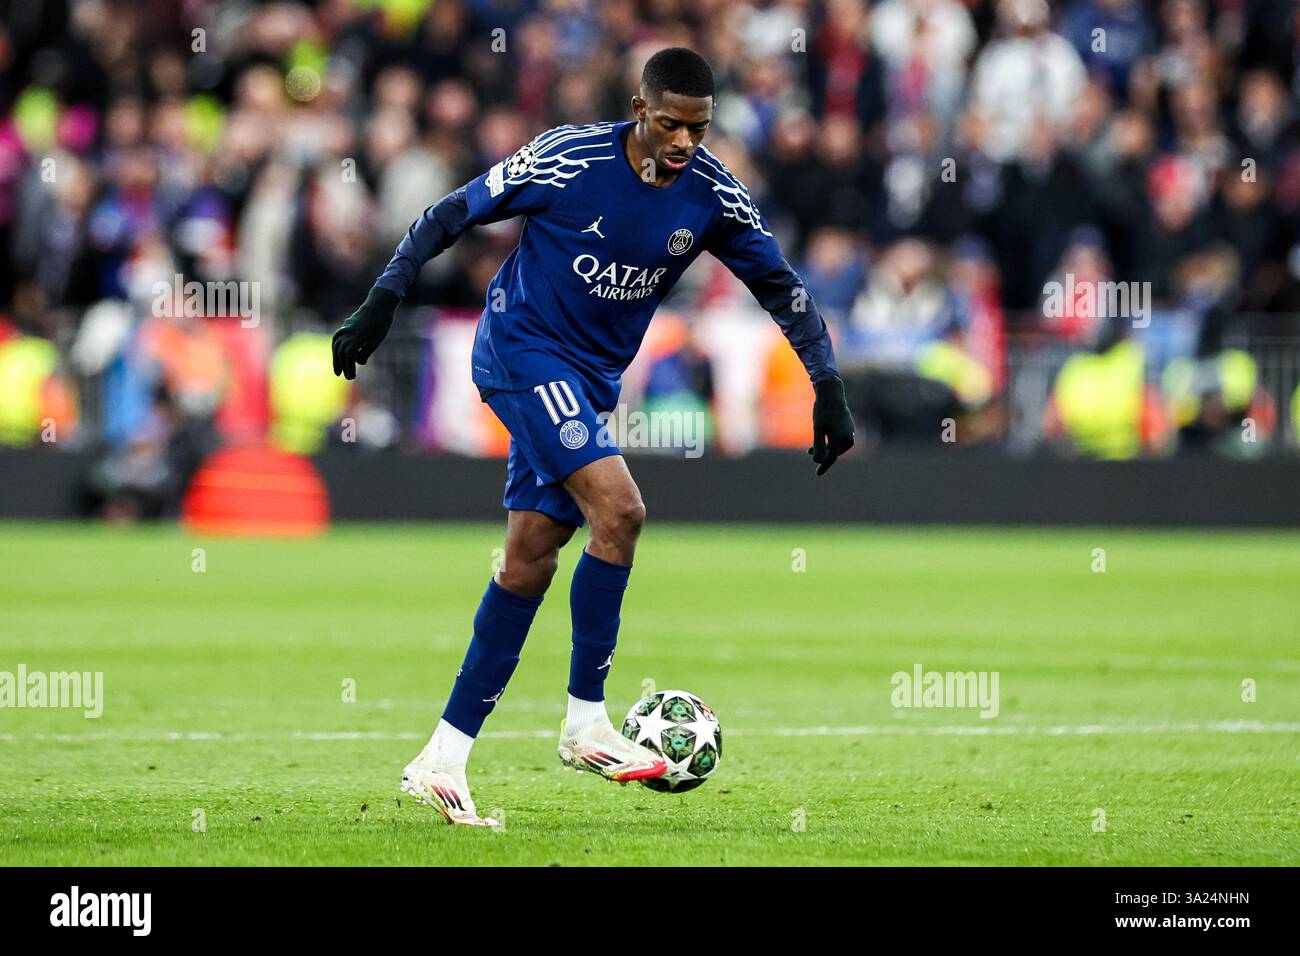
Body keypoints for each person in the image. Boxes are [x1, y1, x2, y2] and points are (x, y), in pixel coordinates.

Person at [331, 48, 855, 826]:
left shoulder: (712, 194)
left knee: (529, 558)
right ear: (640, 109)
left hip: (589, 385)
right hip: (518, 349)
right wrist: (383, 296)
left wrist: (828, 385)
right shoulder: (569, 156)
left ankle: (441, 757)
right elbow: (453, 211)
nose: (685, 142)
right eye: (672, 124)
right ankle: (585, 721)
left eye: (700, 128)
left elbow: (781, 286)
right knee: (621, 509)